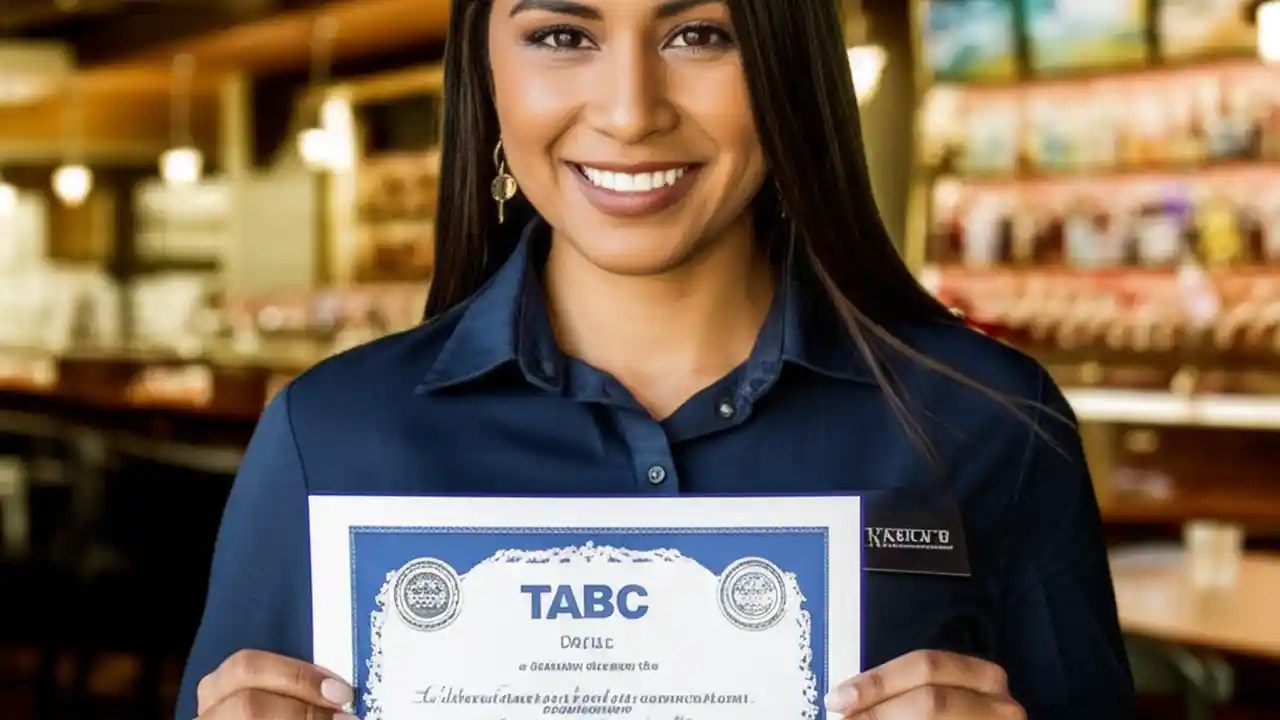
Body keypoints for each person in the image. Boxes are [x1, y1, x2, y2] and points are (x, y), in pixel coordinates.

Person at [178, 0, 1135, 717]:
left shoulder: (990, 424)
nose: (631, 111)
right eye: (563, 35)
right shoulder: (328, 437)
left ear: (787, 63)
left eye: (699, 34)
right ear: (486, 71)